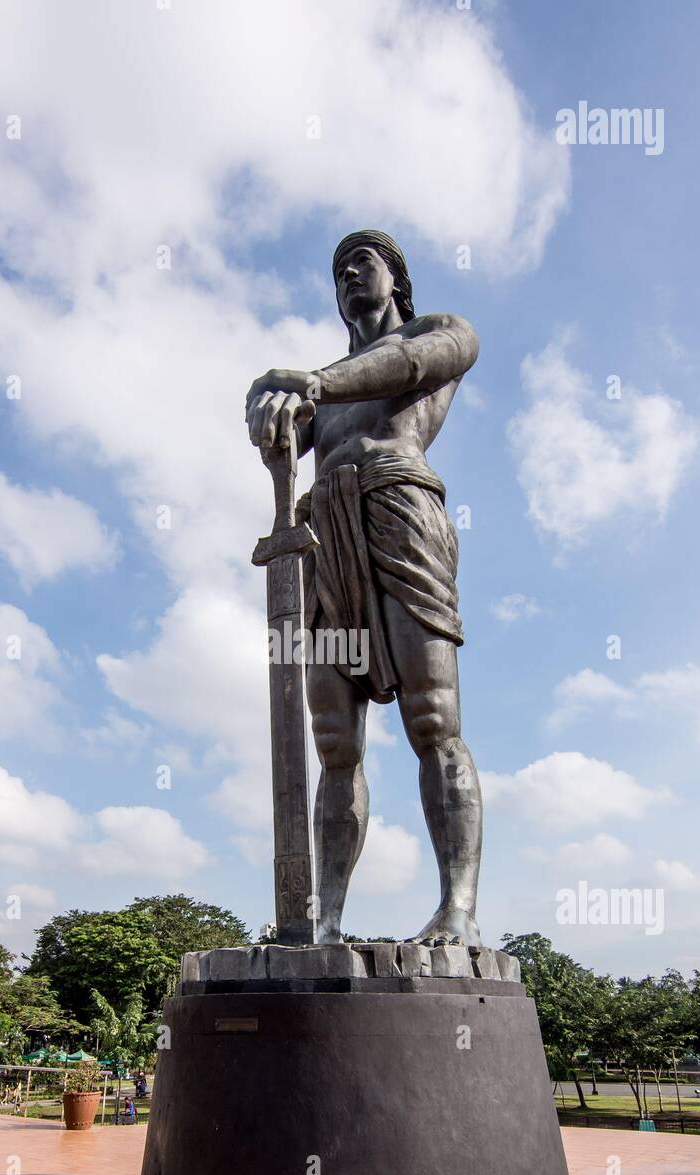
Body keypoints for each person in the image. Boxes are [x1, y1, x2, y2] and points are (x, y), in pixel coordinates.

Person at [246, 230, 483, 946]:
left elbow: (407, 363)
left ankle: (457, 912)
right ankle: (327, 922)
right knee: (333, 739)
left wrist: (309, 384)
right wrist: (272, 421)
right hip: (324, 537)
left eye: (363, 261)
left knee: (431, 721)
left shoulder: (440, 332)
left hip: (397, 509)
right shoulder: (323, 392)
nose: (349, 274)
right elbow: (283, 449)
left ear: (395, 279)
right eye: (338, 269)